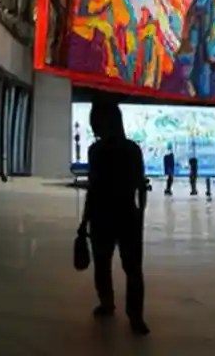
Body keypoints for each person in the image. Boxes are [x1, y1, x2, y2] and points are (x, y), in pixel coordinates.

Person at [79, 99, 150, 336]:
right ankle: (136, 317)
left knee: (102, 265)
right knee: (133, 269)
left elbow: (93, 189)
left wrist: (84, 222)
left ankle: (107, 304)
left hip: (101, 216)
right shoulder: (132, 149)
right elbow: (140, 187)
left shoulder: (96, 151)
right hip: (128, 214)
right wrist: (140, 216)